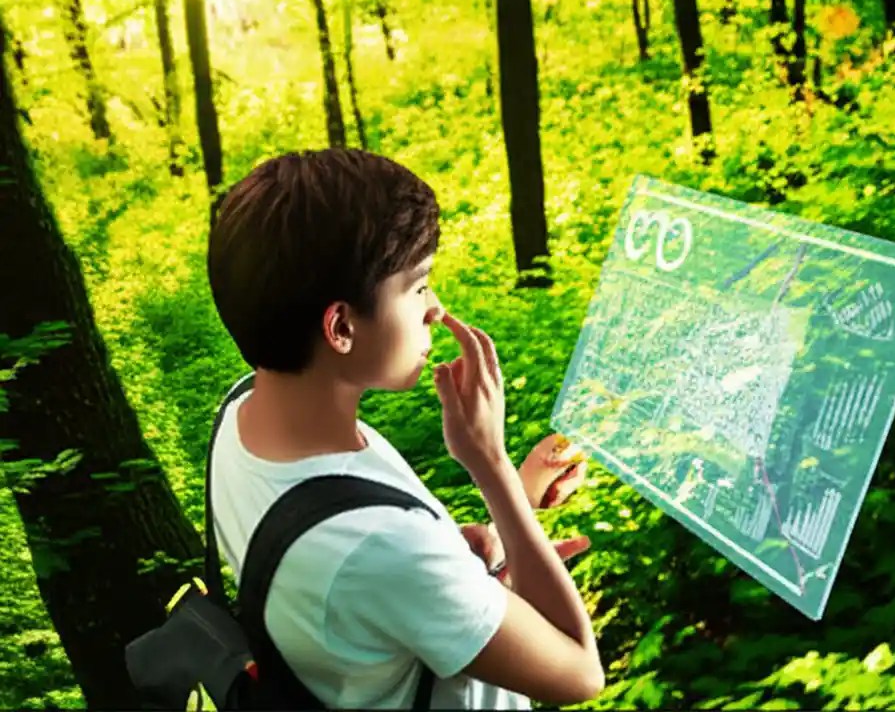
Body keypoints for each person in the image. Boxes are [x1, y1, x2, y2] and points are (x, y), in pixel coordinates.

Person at [205, 148, 605, 709]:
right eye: (418, 286)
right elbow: (579, 672)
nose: (435, 309)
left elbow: (370, 591)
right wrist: (489, 465)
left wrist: (499, 522)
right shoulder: (381, 546)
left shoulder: (242, 416)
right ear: (341, 325)